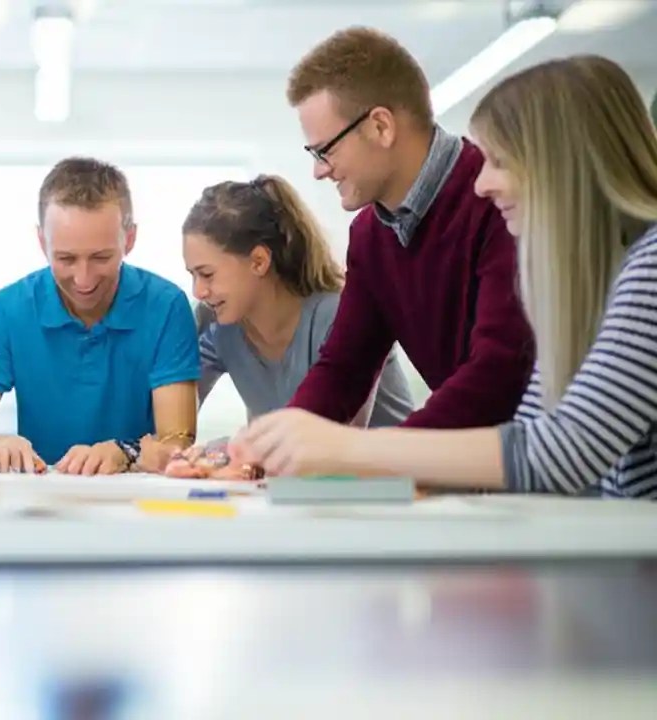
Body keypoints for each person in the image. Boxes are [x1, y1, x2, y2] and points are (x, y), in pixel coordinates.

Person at [234, 55, 657, 500]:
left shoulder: (649, 267)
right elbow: (534, 428)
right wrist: (282, 447)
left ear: (561, 165)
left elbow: (561, 450)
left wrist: (351, 450)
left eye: (501, 161)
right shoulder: (591, 279)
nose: (482, 183)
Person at [282, 26, 535, 428]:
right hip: (471, 465)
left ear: (381, 127)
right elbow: (345, 369)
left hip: (542, 467)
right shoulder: (369, 235)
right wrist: (272, 442)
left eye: (325, 150)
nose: (318, 171)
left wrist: (388, 452)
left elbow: (499, 370)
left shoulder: (499, 203)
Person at [0, 157, 200, 475]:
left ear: (129, 239)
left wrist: (124, 452)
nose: (83, 279)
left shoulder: (167, 306)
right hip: (40, 506)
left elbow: (178, 444)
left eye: (101, 257)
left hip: (135, 502)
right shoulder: (9, 309)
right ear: (41, 242)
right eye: (65, 258)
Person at [184, 174, 415, 427]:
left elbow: (337, 444)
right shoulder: (217, 324)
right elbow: (172, 418)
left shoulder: (340, 313)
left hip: (383, 464)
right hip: (292, 464)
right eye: (193, 275)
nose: (199, 291)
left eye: (207, 274)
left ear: (259, 261)